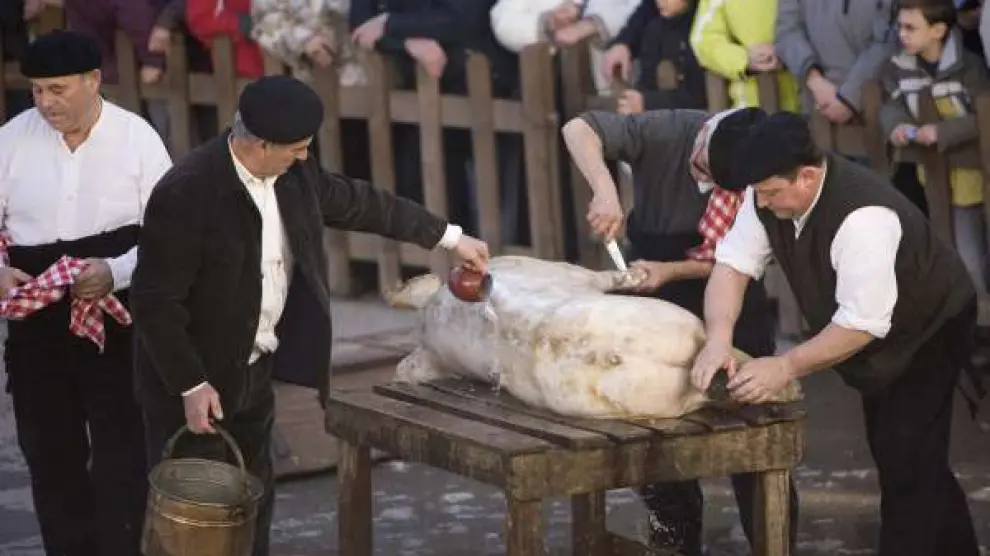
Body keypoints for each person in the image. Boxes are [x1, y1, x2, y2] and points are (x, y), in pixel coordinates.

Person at [130, 74, 490, 556]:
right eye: (296, 148)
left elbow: (365, 204)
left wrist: (450, 237)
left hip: (253, 370)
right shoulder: (187, 192)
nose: (304, 156)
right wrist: (190, 384)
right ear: (257, 143)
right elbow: (155, 301)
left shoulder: (296, 175)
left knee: (252, 508)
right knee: (198, 525)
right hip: (195, 382)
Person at [691, 111, 983, 556]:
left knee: (905, 457)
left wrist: (785, 366)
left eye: (771, 193)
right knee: (910, 455)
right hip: (874, 330)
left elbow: (859, 324)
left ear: (807, 176)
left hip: (931, 323)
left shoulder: (863, 218)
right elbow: (731, 267)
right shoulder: (765, 194)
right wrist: (718, 337)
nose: (763, 203)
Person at [560, 106, 798, 555]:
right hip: (653, 283)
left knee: (751, 428)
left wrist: (673, 271)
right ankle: (675, 536)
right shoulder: (669, 129)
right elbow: (578, 126)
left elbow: (741, 258)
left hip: (730, 287)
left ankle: (777, 542)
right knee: (653, 423)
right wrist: (606, 189)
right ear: (703, 146)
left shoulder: (761, 165)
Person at [0, 30, 173, 556]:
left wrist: (116, 270)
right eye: (36, 91)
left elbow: (172, 234)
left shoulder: (136, 138)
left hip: (119, 319)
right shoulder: (11, 138)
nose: (45, 103)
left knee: (124, 454)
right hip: (37, 324)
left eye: (58, 89)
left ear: (93, 81)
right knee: (51, 455)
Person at [881, 0, 990, 292]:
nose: (901, 34)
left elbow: (982, 117)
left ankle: (979, 316)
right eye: (899, 26)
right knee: (937, 250)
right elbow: (890, 104)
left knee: (970, 251)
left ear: (938, 29)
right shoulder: (897, 68)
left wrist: (942, 131)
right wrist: (898, 126)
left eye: (911, 27)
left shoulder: (969, 67)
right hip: (925, 177)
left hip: (969, 177)